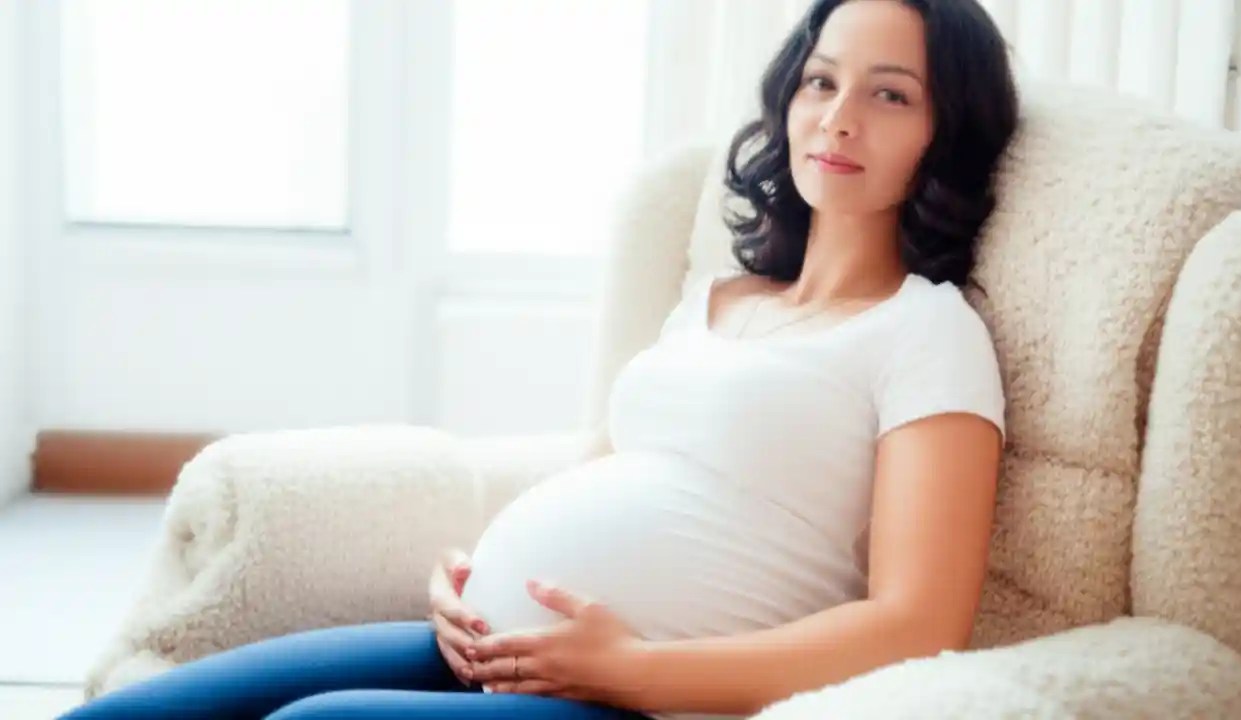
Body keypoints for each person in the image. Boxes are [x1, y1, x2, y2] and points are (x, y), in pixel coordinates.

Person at [61, 1, 1019, 718]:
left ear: (947, 134)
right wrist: (488, 568)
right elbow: (638, 478)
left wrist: (629, 668)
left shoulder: (926, 333)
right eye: (821, 79)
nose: (839, 116)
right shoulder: (719, 297)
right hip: (494, 650)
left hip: (635, 699)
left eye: (889, 93)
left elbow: (918, 623)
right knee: (138, 714)